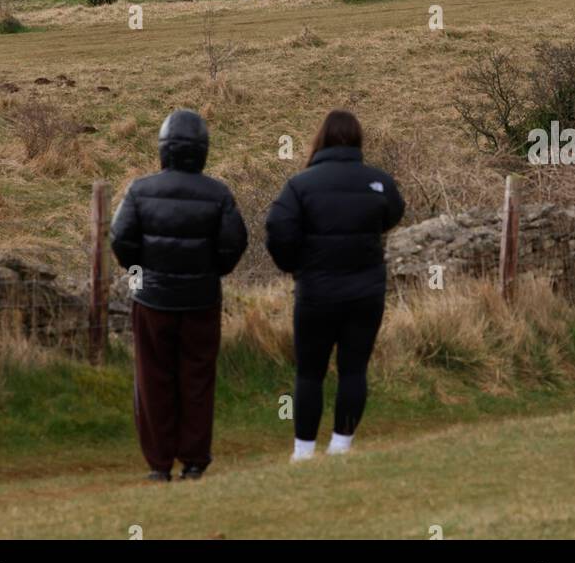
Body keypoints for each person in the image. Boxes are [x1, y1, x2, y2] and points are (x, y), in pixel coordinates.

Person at [110, 108, 247, 482]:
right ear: (202, 149)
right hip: (201, 300)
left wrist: (140, 273)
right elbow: (233, 244)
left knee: (153, 379)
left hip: (152, 301)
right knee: (197, 379)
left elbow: (121, 240)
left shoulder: (140, 190)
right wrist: (211, 274)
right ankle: (194, 460)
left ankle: (158, 464)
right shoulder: (218, 194)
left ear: (163, 149)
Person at [265, 109, 405, 462]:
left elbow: (278, 228)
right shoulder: (378, 181)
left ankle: (303, 451)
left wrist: (293, 266)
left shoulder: (300, 185)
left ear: (320, 139)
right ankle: (341, 445)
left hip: (316, 293)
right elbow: (394, 213)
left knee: (310, 372)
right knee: (354, 369)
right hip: (366, 292)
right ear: (359, 140)